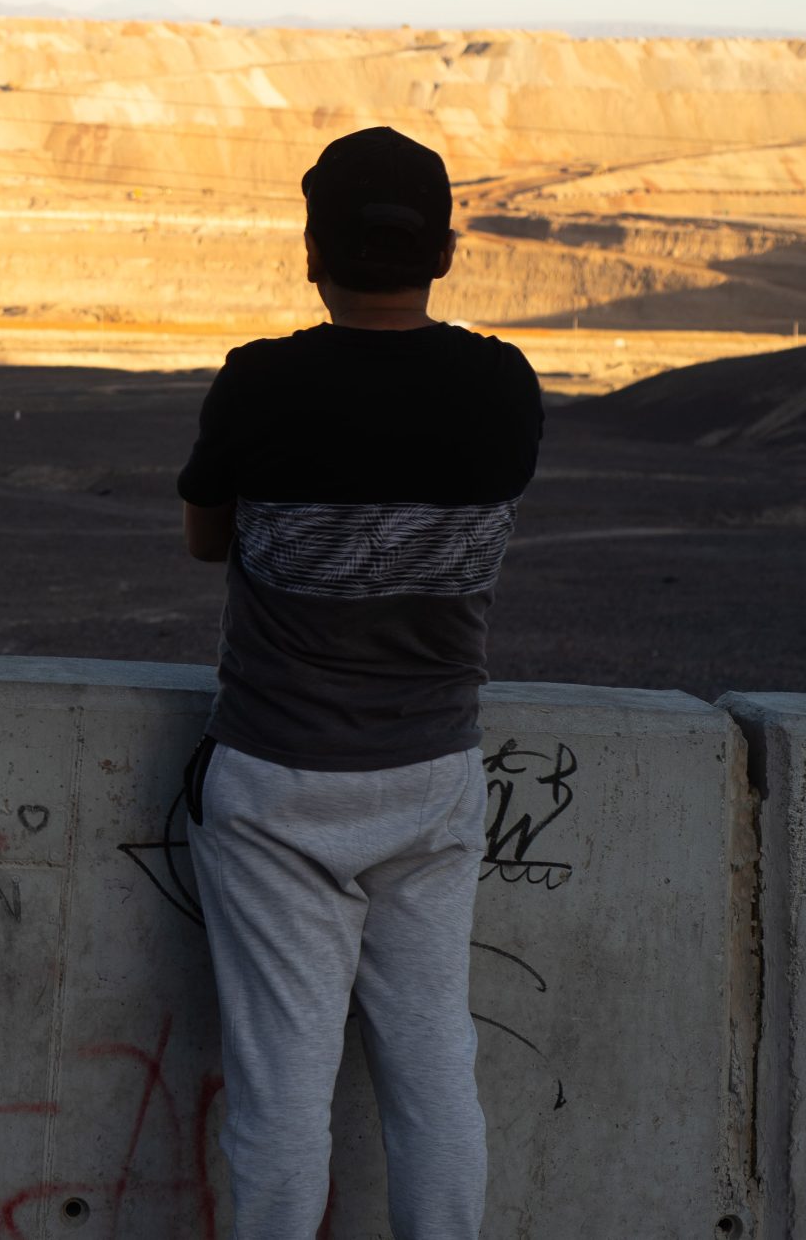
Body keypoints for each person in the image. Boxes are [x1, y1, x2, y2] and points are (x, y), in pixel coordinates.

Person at [174, 126, 543, 1240]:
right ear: (441, 254)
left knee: (280, 1091)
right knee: (434, 1072)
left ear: (310, 251)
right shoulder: (499, 387)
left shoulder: (261, 384)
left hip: (276, 781)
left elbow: (206, 539)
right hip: (429, 778)